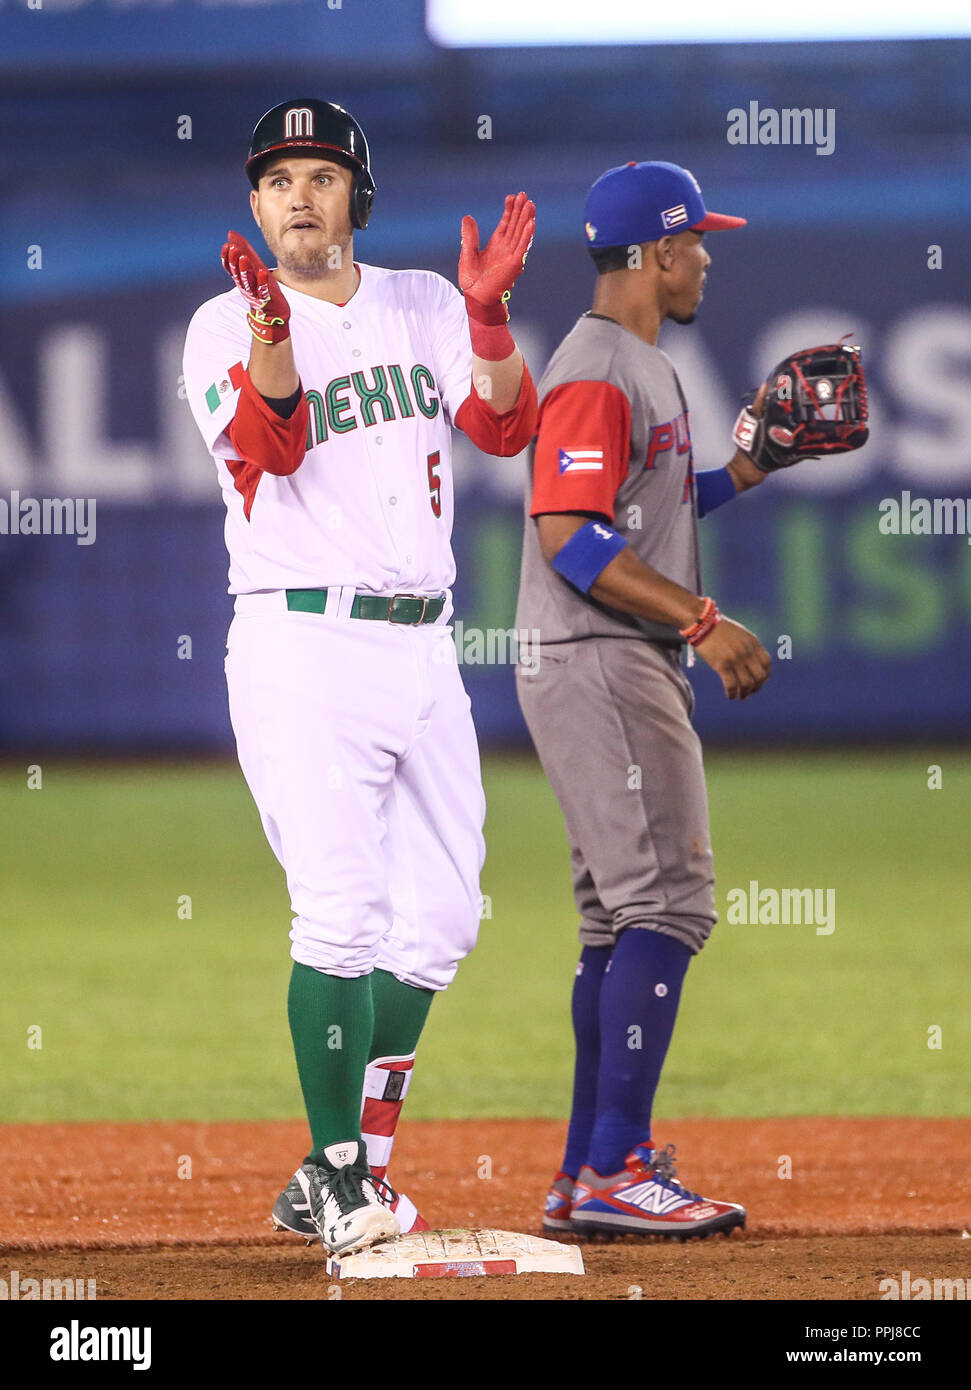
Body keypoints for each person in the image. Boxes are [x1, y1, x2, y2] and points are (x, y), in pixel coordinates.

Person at [183, 98, 536, 1256]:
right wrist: (270, 328)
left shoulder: (421, 302)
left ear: (356, 195)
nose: (298, 192)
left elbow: (503, 426)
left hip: (423, 643)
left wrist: (484, 317)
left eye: (321, 174)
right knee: (338, 914)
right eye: (276, 175)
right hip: (302, 643)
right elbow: (269, 445)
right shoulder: (216, 326)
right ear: (252, 203)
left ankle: (348, 1167)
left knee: (434, 919)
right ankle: (339, 1179)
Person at [514, 160, 771, 1240]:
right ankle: (617, 1168)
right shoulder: (597, 365)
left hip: (594, 661)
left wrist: (747, 471)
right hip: (603, 656)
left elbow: (636, 501)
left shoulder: (632, 366)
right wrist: (703, 624)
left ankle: (586, 1169)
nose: (706, 256)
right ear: (656, 254)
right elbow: (571, 539)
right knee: (667, 905)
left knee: (617, 920)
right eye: (695, 241)